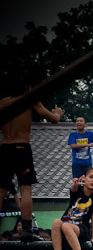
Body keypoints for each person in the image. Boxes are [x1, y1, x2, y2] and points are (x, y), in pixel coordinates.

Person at [0, 83, 64, 240]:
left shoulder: (3, 102)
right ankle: (27, 229)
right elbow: (53, 120)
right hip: (21, 147)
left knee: (1, 189)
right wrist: (57, 113)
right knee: (25, 189)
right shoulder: (30, 100)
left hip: (4, 147)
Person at [45, 168, 93, 250]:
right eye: (91, 177)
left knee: (66, 226)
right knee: (56, 222)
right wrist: (75, 184)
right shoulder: (77, 190)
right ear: (84, 178)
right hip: (66, 223)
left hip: (81, 228)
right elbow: (73, 189)